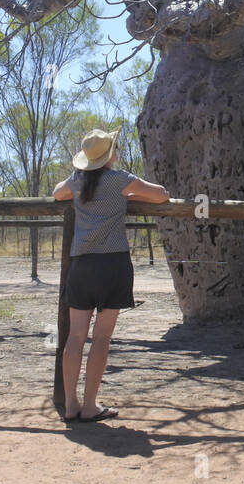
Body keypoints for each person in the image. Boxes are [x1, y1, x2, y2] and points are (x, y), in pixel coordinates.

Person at [51, 128, 169, 422]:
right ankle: (90, 405)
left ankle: (70, 404)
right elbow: (161, 195)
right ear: (110, 156)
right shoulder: (121, 180)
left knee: (75, 337)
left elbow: (56, 193)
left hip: (82, 265)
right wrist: (129, 193)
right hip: (112, 265)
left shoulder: (77, 181)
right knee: (101, 338)